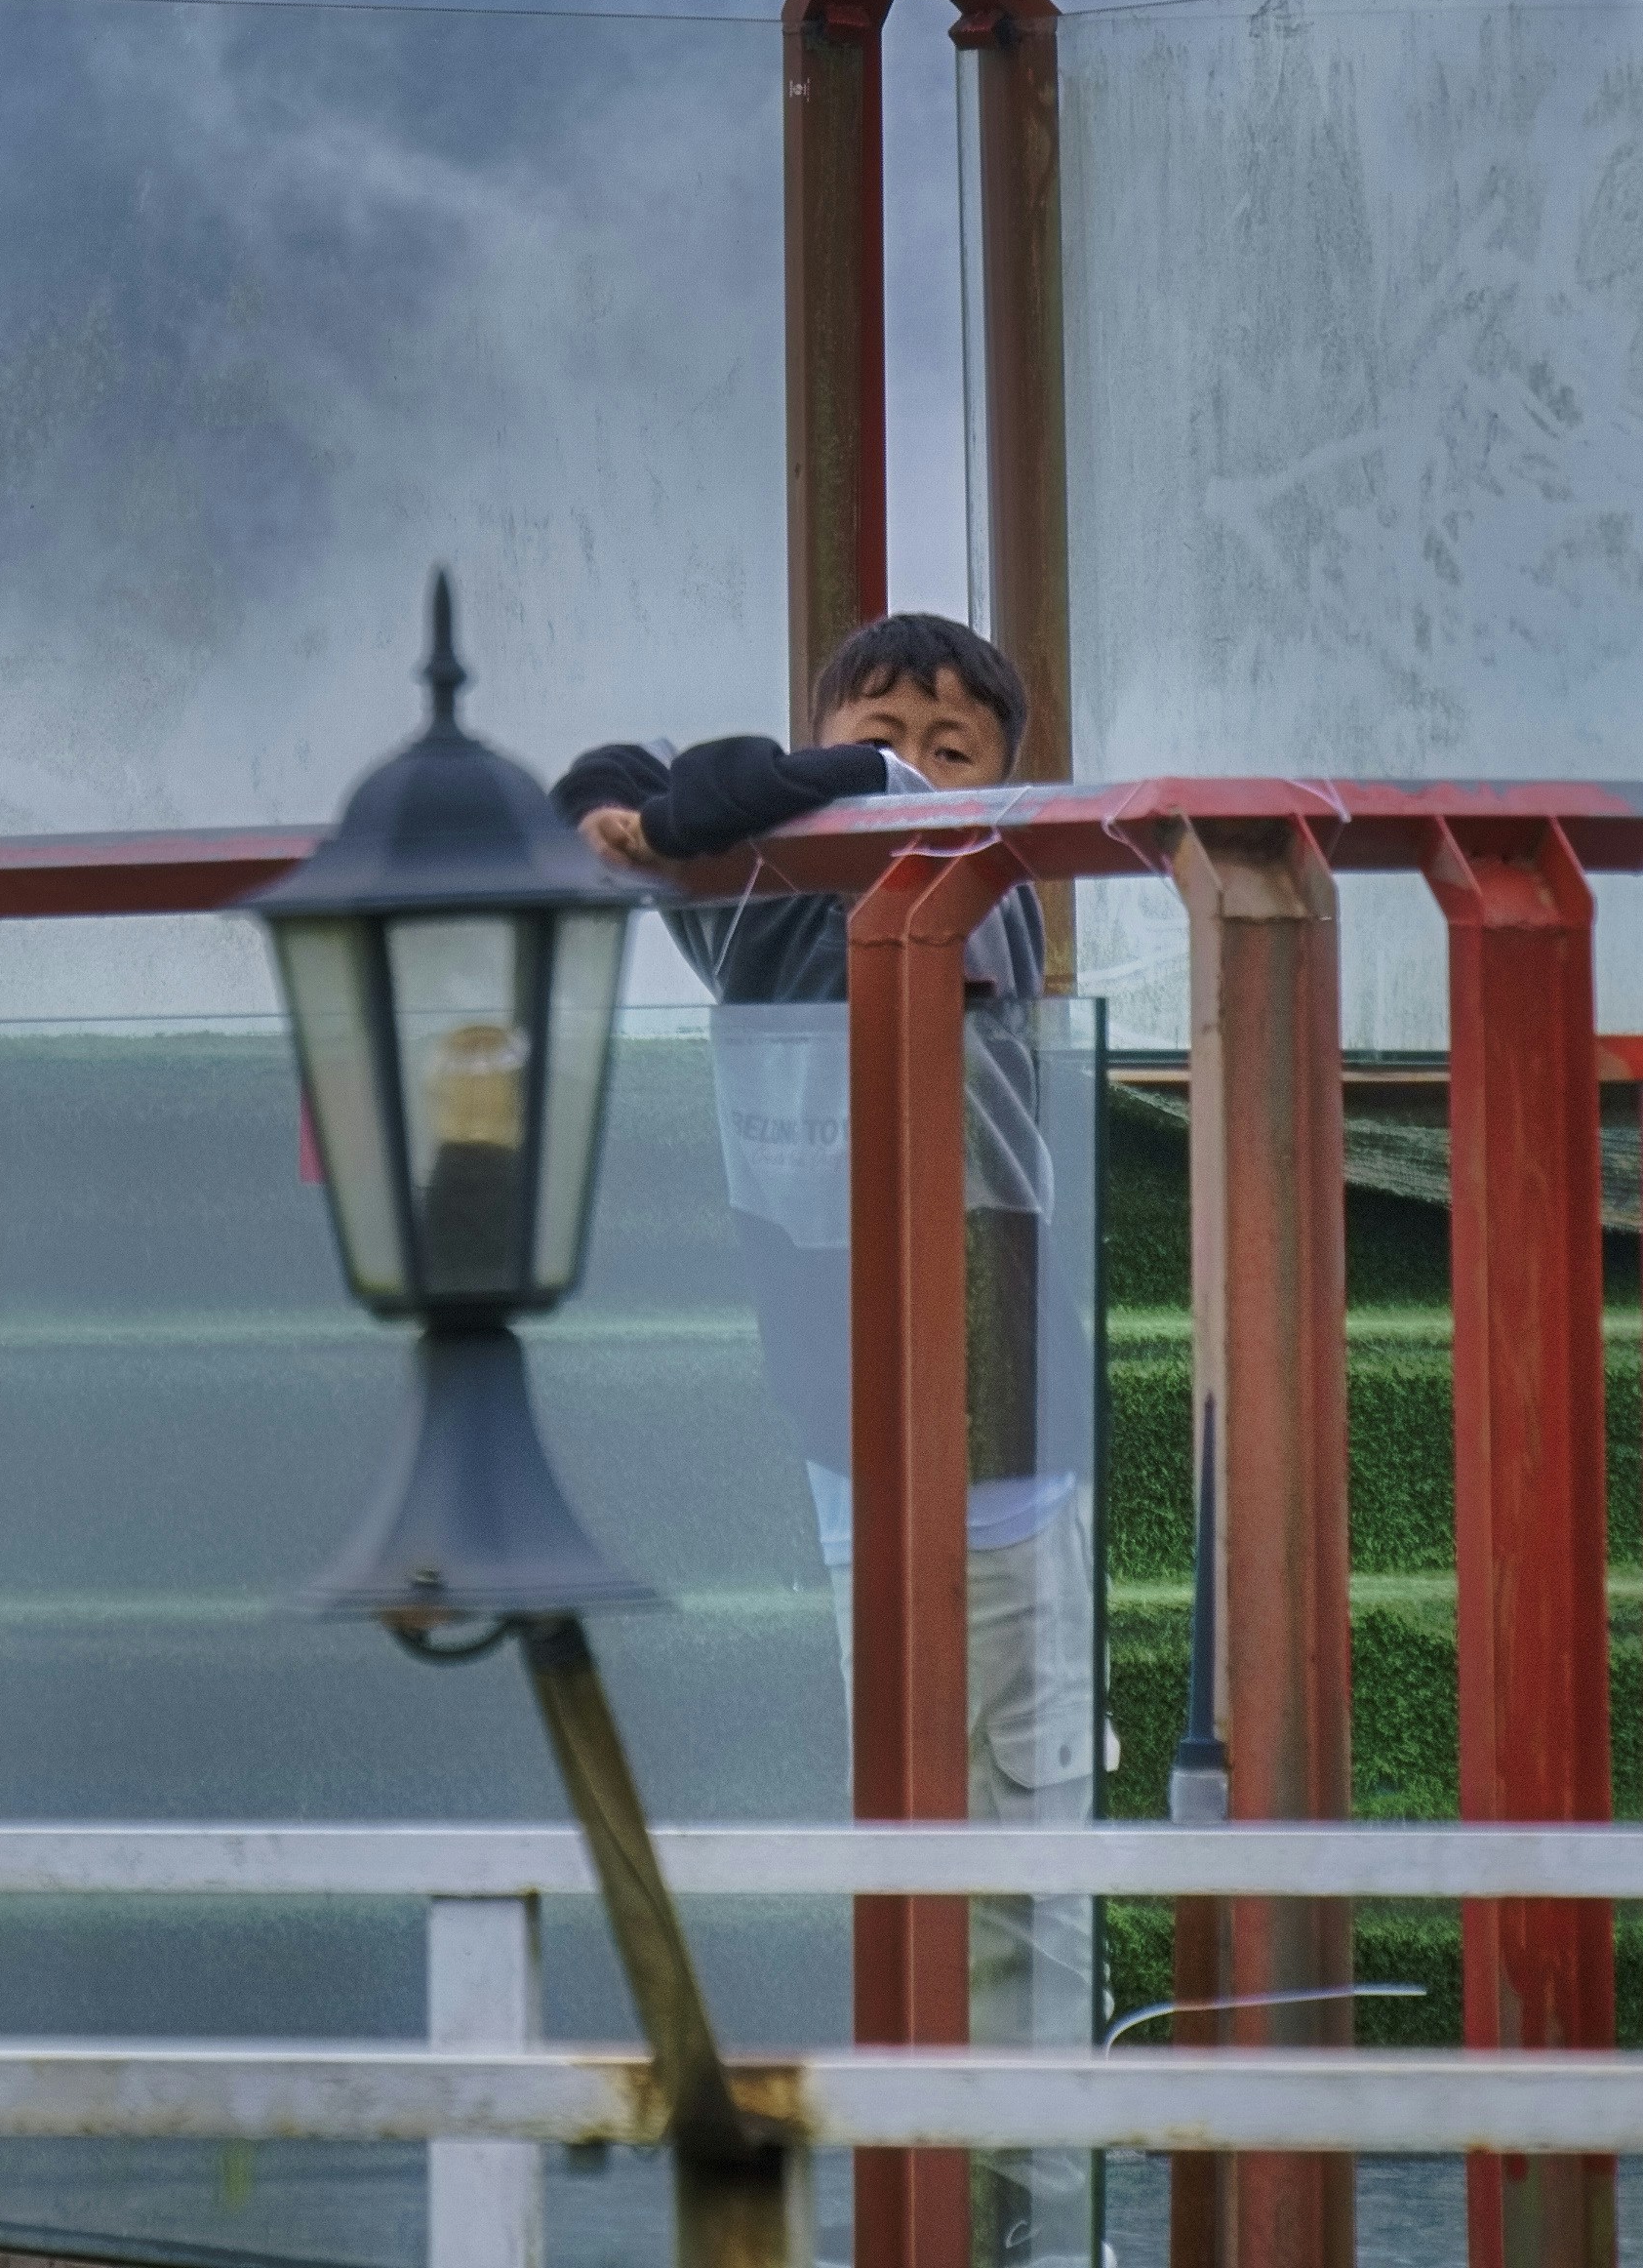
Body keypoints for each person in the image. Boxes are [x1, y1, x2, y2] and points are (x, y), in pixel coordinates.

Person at [558, 618, 1089, 2268]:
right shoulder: (761, 906)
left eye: (959, 745)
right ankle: (949, 2193)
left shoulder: (976, 883)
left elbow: (739, 787)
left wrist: (846, 773)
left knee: (1017, 1854)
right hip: (857, 1431)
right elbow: (613, 785)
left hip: (995, 1437)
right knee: (921, 1835)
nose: (922, 771)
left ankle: (1034, 2217)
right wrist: (633, 821)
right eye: (890, 731)